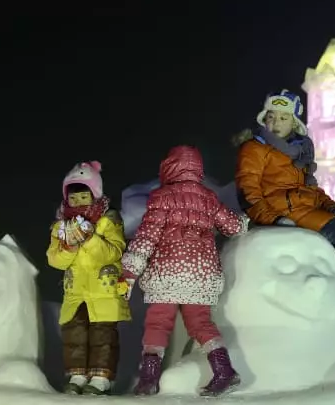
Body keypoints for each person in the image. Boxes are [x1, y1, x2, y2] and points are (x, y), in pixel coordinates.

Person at [234, 89, 335, 331]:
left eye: (283, 118)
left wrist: (330, 206)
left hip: (302, 210)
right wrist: (272, 219)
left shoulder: (298, 153)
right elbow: (248, 190)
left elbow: (310, 190)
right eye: (271, 116)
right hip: (284, 212)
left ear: (294, 123)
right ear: (263, 118)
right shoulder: (255, 149)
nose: (275, 123)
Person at [121, 145, 249, 397]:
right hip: (201, 274)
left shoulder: (161, 197)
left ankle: (149, 378)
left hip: (167, 273)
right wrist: (245, 221)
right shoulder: (209, 198)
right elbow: (234, 227)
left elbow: (146, 238)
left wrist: (129, 272)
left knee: (158, 323)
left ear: (168, 167)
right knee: (201, 323)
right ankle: (224, 370)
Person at [46, 161, 131, 395]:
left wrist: (90, 238)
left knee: (103, 335)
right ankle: (77, 374)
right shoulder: (60, 227)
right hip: (76, 293)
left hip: (104, 291)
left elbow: (114, 251)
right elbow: (54, 260)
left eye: (84, 197)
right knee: (75, 334)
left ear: (95, 195)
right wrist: (69, 246)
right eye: (73, 199)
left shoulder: (108, 220)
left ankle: (101, 376)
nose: (78, 203)